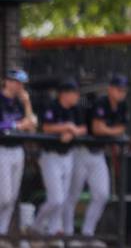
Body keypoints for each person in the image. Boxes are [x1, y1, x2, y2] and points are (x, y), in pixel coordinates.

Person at [62, 74, 128, 241]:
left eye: (123, 90)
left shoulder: (122, 106)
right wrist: (111, 131)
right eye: (118, 89)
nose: (121, 93)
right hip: (81, 152)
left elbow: (122, 128)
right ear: (110, 89)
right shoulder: (101, 103)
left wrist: (109, 130)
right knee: (72, 195)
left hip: (98, 154)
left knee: (102, 195)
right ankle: (68, 235)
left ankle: (87, 233)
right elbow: (98, 129)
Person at [34, 78, 87, 238]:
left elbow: (84, 128)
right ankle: (36, 225)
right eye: (74, 93)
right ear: (64, 94)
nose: (77, 96)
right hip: (51, 156)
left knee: (63, 199)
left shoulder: (76, 109)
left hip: (67, 156)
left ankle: (53, 231)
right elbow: (46, 127)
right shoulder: (52, 106)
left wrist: (73, 132)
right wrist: (66, 127)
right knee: (56, 199)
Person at [0, 68, 36, 237]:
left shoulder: (20, 102)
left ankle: (2, 233)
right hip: (2, 149)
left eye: (21, 83)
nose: (19, 86)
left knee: (12, 197)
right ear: (7, 81)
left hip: (17, 150)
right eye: (16, 82)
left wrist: (27, 104)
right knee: (5, 196)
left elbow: (32, 127)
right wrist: (17, 126)